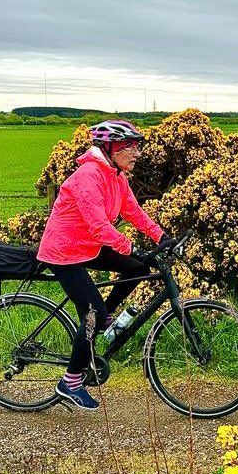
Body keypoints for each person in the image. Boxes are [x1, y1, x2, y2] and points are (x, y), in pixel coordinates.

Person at [36, 120, 173, 410]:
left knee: (137, 268)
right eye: (129, 147)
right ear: (110, 148)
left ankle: (105, 317)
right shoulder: (89, 175)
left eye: (137, 147)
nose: (136, 153)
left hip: (87, 247)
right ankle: (70, 382)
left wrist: (162, 237)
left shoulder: (116, 176)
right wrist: (132, 247)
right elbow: (99, 225)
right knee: (92, 314)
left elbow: (134, 212)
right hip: (64, 251)